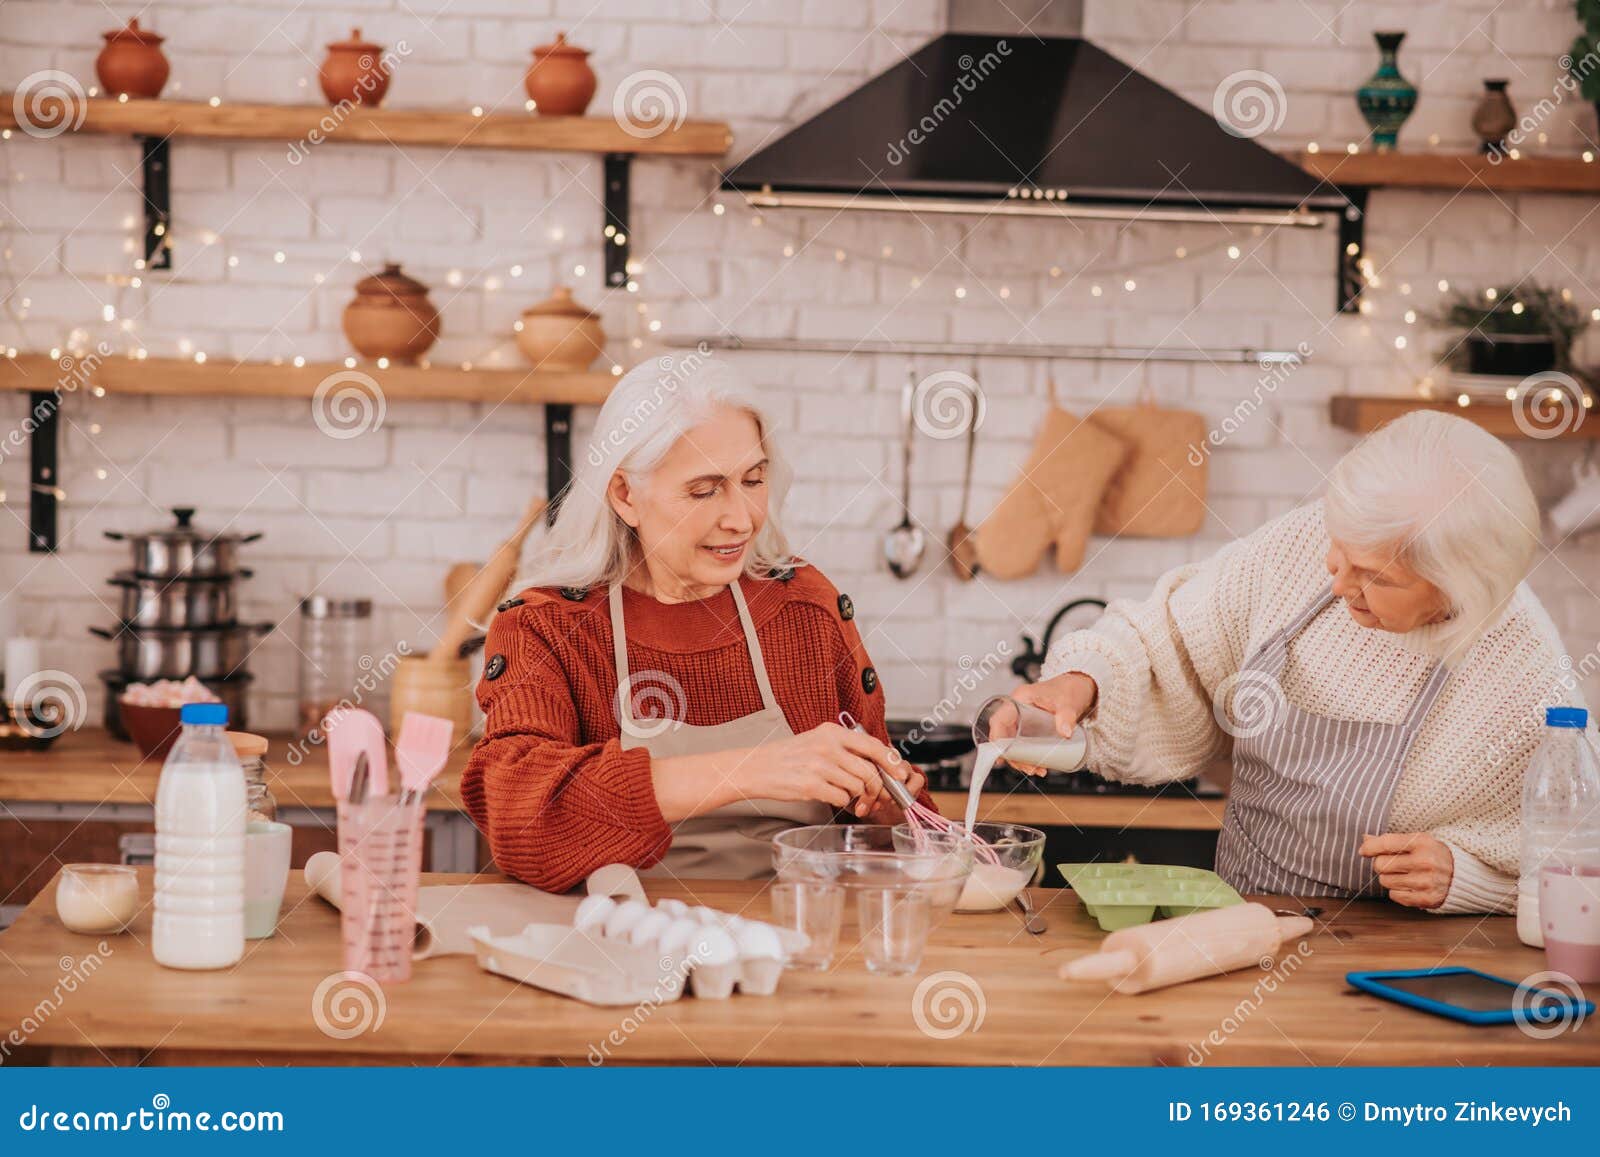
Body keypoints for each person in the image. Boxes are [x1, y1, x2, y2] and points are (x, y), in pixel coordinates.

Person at [1012, 410, 1580, 913]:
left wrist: (1467, 880)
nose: (1336, 581)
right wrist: (1084, 679)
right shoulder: (1307, 546)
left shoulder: (1524, 674)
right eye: (1338, 545)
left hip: (1399, 960)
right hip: (1239, 918)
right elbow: (1170, 637)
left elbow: (1575, 868)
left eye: (1376, 577)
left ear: (1461, 588)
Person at [460, 356, 927, 891]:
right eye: (704, 490)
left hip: (793, 941)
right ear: (625, 495)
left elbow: (896, 837)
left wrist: (890, 811)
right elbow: (522, 819)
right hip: (615, 945)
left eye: (754, 480)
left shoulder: (806, 609)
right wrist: (751, 770)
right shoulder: (547, 628)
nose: (743, 518)